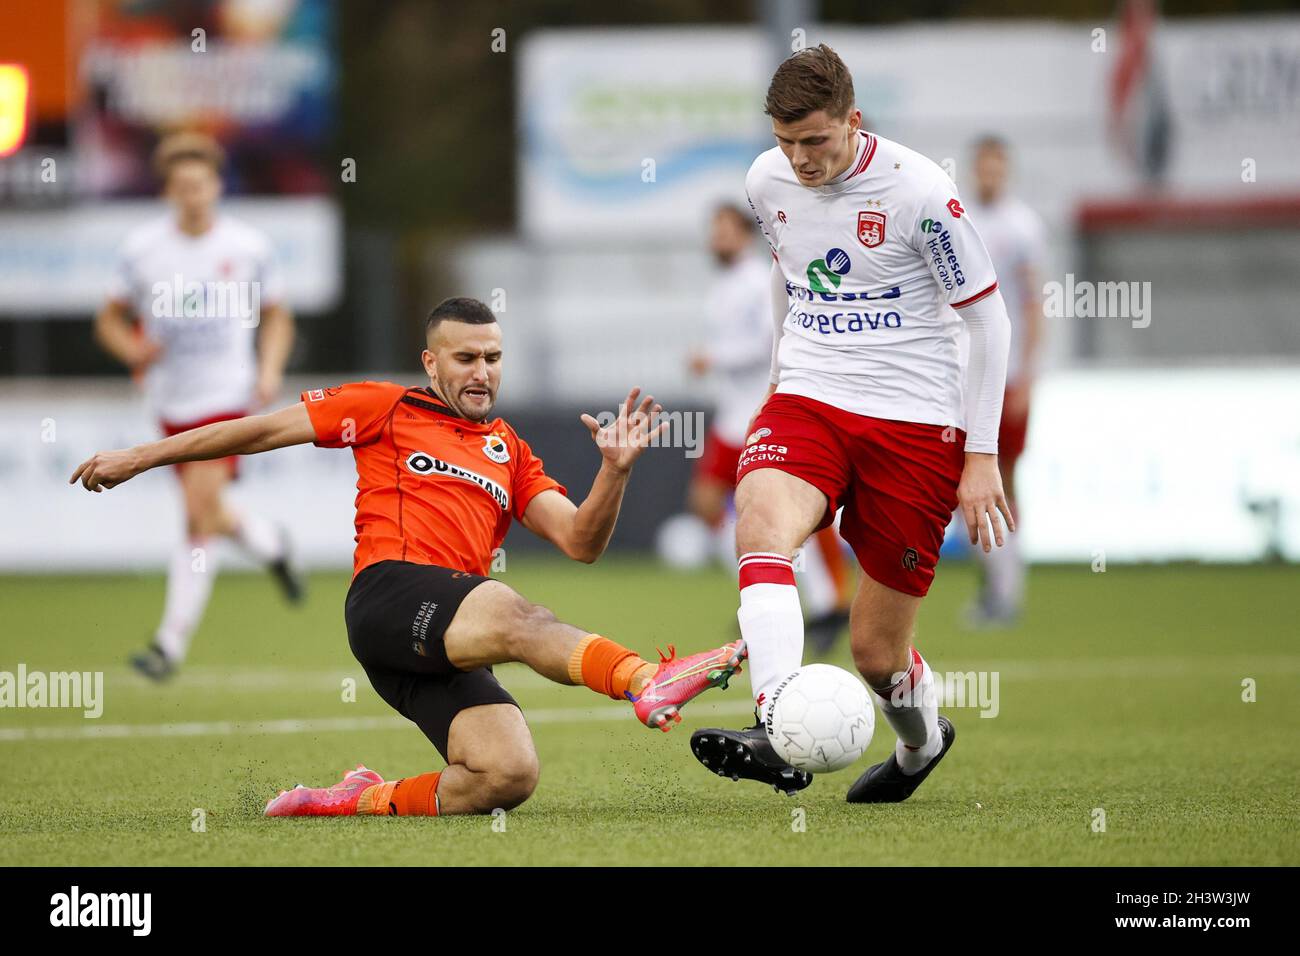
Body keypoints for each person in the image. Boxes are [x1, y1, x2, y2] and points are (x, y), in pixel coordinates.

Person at [71, 297, 746, 818]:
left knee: (505, 776)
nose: (482, 372)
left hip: (443, 636)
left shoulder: (508, 449)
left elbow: (581, 542)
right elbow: (258, 429)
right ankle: (641, 679)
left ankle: (353, 798)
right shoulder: (383, 407)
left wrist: (615, 474)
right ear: (432, 364)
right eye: (465, 359)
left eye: (492, 358)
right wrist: (140, 455)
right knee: (518, 614)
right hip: (389, 598)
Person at [689, 45, 1014, 801]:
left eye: (816, 142)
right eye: (784, 142)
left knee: (876, 654)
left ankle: (921, 745)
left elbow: (987, 321)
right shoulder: (764, 181)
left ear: (853, 121)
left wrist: (982, 454)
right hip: (810, 396)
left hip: (915, 421)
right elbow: (787, 271)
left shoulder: (922, 193)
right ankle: (776, 721)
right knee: (761, 524)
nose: (799, 160)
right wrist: (778, 373)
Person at [94, 131, 301, 681]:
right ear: (168, 190)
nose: (193, 195)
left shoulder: (248, 246)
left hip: (228, 400)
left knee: (196, 518)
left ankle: (168, 645)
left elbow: (278, 316)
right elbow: (109, 318)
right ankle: (271, 543)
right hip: (170, 405)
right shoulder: (142, 249)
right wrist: (132, 348)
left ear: (216, 186)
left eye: (201, 184)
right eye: (182, 186)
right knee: (212, 513)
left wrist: (269, 370)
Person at [685, 202, 853, 650]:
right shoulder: (721, 286)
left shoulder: (761, 280)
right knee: (706, 504)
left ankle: (825, 604)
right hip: (730, 417)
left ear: (743, 234)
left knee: (791, 514)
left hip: (761, 414)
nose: (717, 238)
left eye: (725, 229)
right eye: (713, 229)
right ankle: (764, 597)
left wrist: (713, 358)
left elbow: (770, 342)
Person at [960, 134, 1045, 626]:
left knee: (1004, 479)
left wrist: (1030, 376)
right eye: (983, 166)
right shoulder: (959, 217)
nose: (989, 174)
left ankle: (1007, 588)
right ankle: (995, 584)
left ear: (1005, 170)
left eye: (997, 166)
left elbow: (1032, 303)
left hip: (1007, 374)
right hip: (960, 375)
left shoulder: (1023, 226)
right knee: (961, 484)